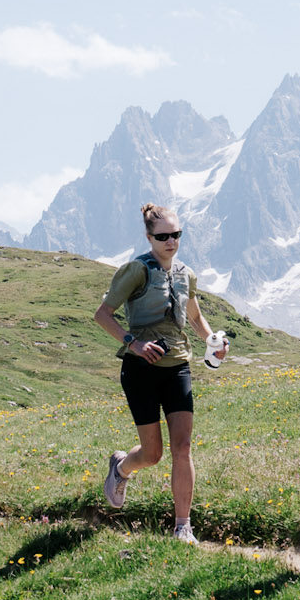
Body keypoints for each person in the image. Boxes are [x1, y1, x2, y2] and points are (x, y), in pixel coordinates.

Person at [95, 203, 218, 541]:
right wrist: (133, 343)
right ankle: (120, 469)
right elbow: (103, 314)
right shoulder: (136, 270)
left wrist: (212, 340)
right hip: (140, 370)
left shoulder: (186, 274)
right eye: (163, 236)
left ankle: (183, 527)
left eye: (176, 235)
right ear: (149, 237)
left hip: (178, 366)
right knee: (152, 454)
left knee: (183, 447)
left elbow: (194, 317)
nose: (170, 241)